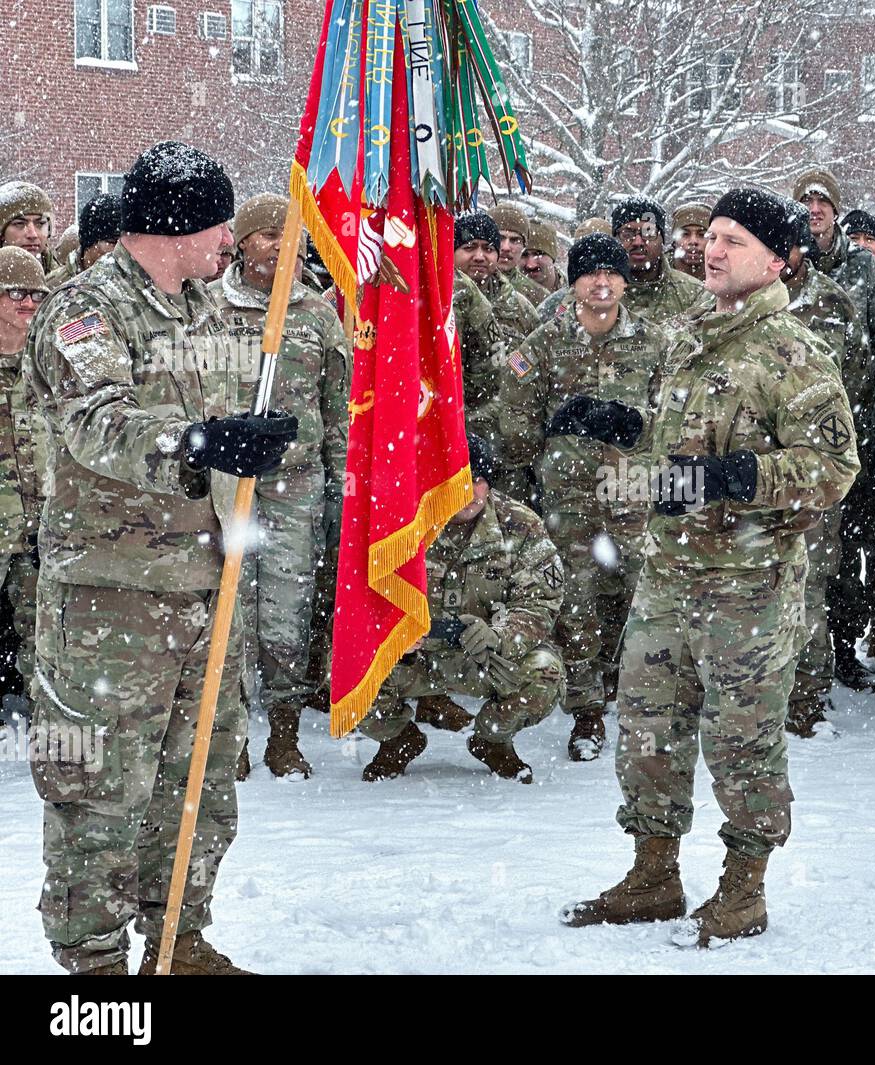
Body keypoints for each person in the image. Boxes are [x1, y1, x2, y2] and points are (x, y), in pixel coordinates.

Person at [25, 141, 298, 975]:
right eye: (220, 222)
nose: (232, 241)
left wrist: (252, 442)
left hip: (204, 589)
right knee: (101, 796)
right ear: (178, 222)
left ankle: (179, 939)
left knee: (200, 787)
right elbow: (98, 422)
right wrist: (198, 441)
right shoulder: (87, 311)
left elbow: (223, 429)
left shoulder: (207, 313)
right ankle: (98, 968)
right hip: (111, 603)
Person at [561, 188, 859, 946]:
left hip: (747, 584)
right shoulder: (689, 332)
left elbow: (832, 466)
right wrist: (621, 423)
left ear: (775, 257)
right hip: (670, 572)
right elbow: (673, 445)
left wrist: (736, 477)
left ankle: (743, 887)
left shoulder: (794, 350)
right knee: (649, 727)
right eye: (712, 238)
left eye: (731, 240)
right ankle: (654, 872)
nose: (712, 250)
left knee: (741, 738)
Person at [499, 234, 670, 760]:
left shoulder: (655, 342)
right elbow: (514, 415)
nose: (602, 284)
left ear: (624, 280)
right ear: (573, 283)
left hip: (633, 492)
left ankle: (645, 701)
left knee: (643, 594)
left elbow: (678, 417)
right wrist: (548, 435)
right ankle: (587, 709)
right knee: (577, 599)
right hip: (568, 495)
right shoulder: (544, 343)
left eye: (611, 274)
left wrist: (638, 427)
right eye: (590, 274)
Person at [210, 193, 350, 779]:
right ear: (242, 243)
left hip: (296, 483)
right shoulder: (209, 308)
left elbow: (338, 406)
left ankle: (285, 732)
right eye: (268, 236)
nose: (279, 247)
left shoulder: (317, 313)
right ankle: (232, 733)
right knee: (229, 608)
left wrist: (342, 478)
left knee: (287, 610)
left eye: (288, 236)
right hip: (228, 482)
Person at [356, 435, 565, 783]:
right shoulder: (402, 523)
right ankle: (397, 739)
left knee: (545, 673)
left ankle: (492, 739)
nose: (470, 493)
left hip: (484, 658)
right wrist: (394, 631)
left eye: (479, 480)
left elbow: (540, 601)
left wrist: (499, 635)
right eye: (459, 482)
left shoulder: (520, 524)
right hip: (415, 658)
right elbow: (361, 597)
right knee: (349, 667)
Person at [790, 168, 875, 691]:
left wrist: (874, 415)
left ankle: (848, 644)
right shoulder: (785, 268)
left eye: (822, 202)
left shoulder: (863, 270)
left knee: (865, 551)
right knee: (824, 556)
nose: (814, 210)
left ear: (836, 211)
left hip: (866, 437)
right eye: (806, 202)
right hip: (811, 448)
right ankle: (823, 655)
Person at [781, 205, 866, 737]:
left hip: (809, 473)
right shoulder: (724, 303)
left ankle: (809, 694)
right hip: (748, 475)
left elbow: (853, 384)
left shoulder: (833, 305)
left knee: (808, 586)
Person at [0, 248, 49, 706]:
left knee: (42, 631)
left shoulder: (48, 365)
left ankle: (46, 722)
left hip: (42, 526)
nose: (28, 302)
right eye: (16, 292)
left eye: (37, 293)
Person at [453, 210, 539, 451]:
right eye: (469, 247)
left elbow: (529, 375)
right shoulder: (432, 301)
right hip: (442, 434)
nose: (479, 256)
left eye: (488, 249)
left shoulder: (521, 310)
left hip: (500, 444)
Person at [611, 196, 705, 322]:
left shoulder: (694, 293)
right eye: (628, 234)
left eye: (649, 233)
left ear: (662, 240)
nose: (638, 242)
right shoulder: (596, 290)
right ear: (615, 239)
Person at [45, 195, 120, 289]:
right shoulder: (54, 286)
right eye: (113, 242)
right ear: (90, 243)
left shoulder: (134, 286)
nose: (120, 248)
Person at [488, 203, 549, 306]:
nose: (506, 247)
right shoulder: (460, 284)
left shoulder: (539, 298)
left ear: (524, 246)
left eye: (515, 240)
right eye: (500, 238)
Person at [0, 181, 55, 272]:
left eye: (40, 223)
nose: (33, 234)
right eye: (19, 224)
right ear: (2, 234)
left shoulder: (68, 281)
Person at [670, 202, 710, 281]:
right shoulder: (654, 274)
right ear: (674, 240)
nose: (693, 241)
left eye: (702, 235)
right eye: (685, 234)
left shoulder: (725, 277)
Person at [522, 220, 563, 293]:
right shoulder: (505, 294)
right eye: (524, 255)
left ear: (552, 257)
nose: (530, 265)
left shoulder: (576, 292)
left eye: (538, 254)